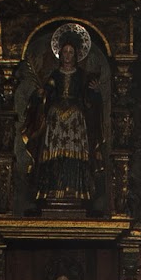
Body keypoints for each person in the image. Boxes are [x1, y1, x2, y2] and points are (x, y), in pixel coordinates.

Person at [24, 33, 99, 204]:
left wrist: (95, 92)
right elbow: (48, 92)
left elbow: (88, 98)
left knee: (74, 154)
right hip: (56, 120)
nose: (67, 55)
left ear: (76, 55)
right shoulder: (55, 75)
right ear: (60, 54)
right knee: (54, 154)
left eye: (70, 52)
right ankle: (52, 188)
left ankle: (75, 189)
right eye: (64, 52)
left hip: (75, 120)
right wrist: (41, 95)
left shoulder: (81, 76)